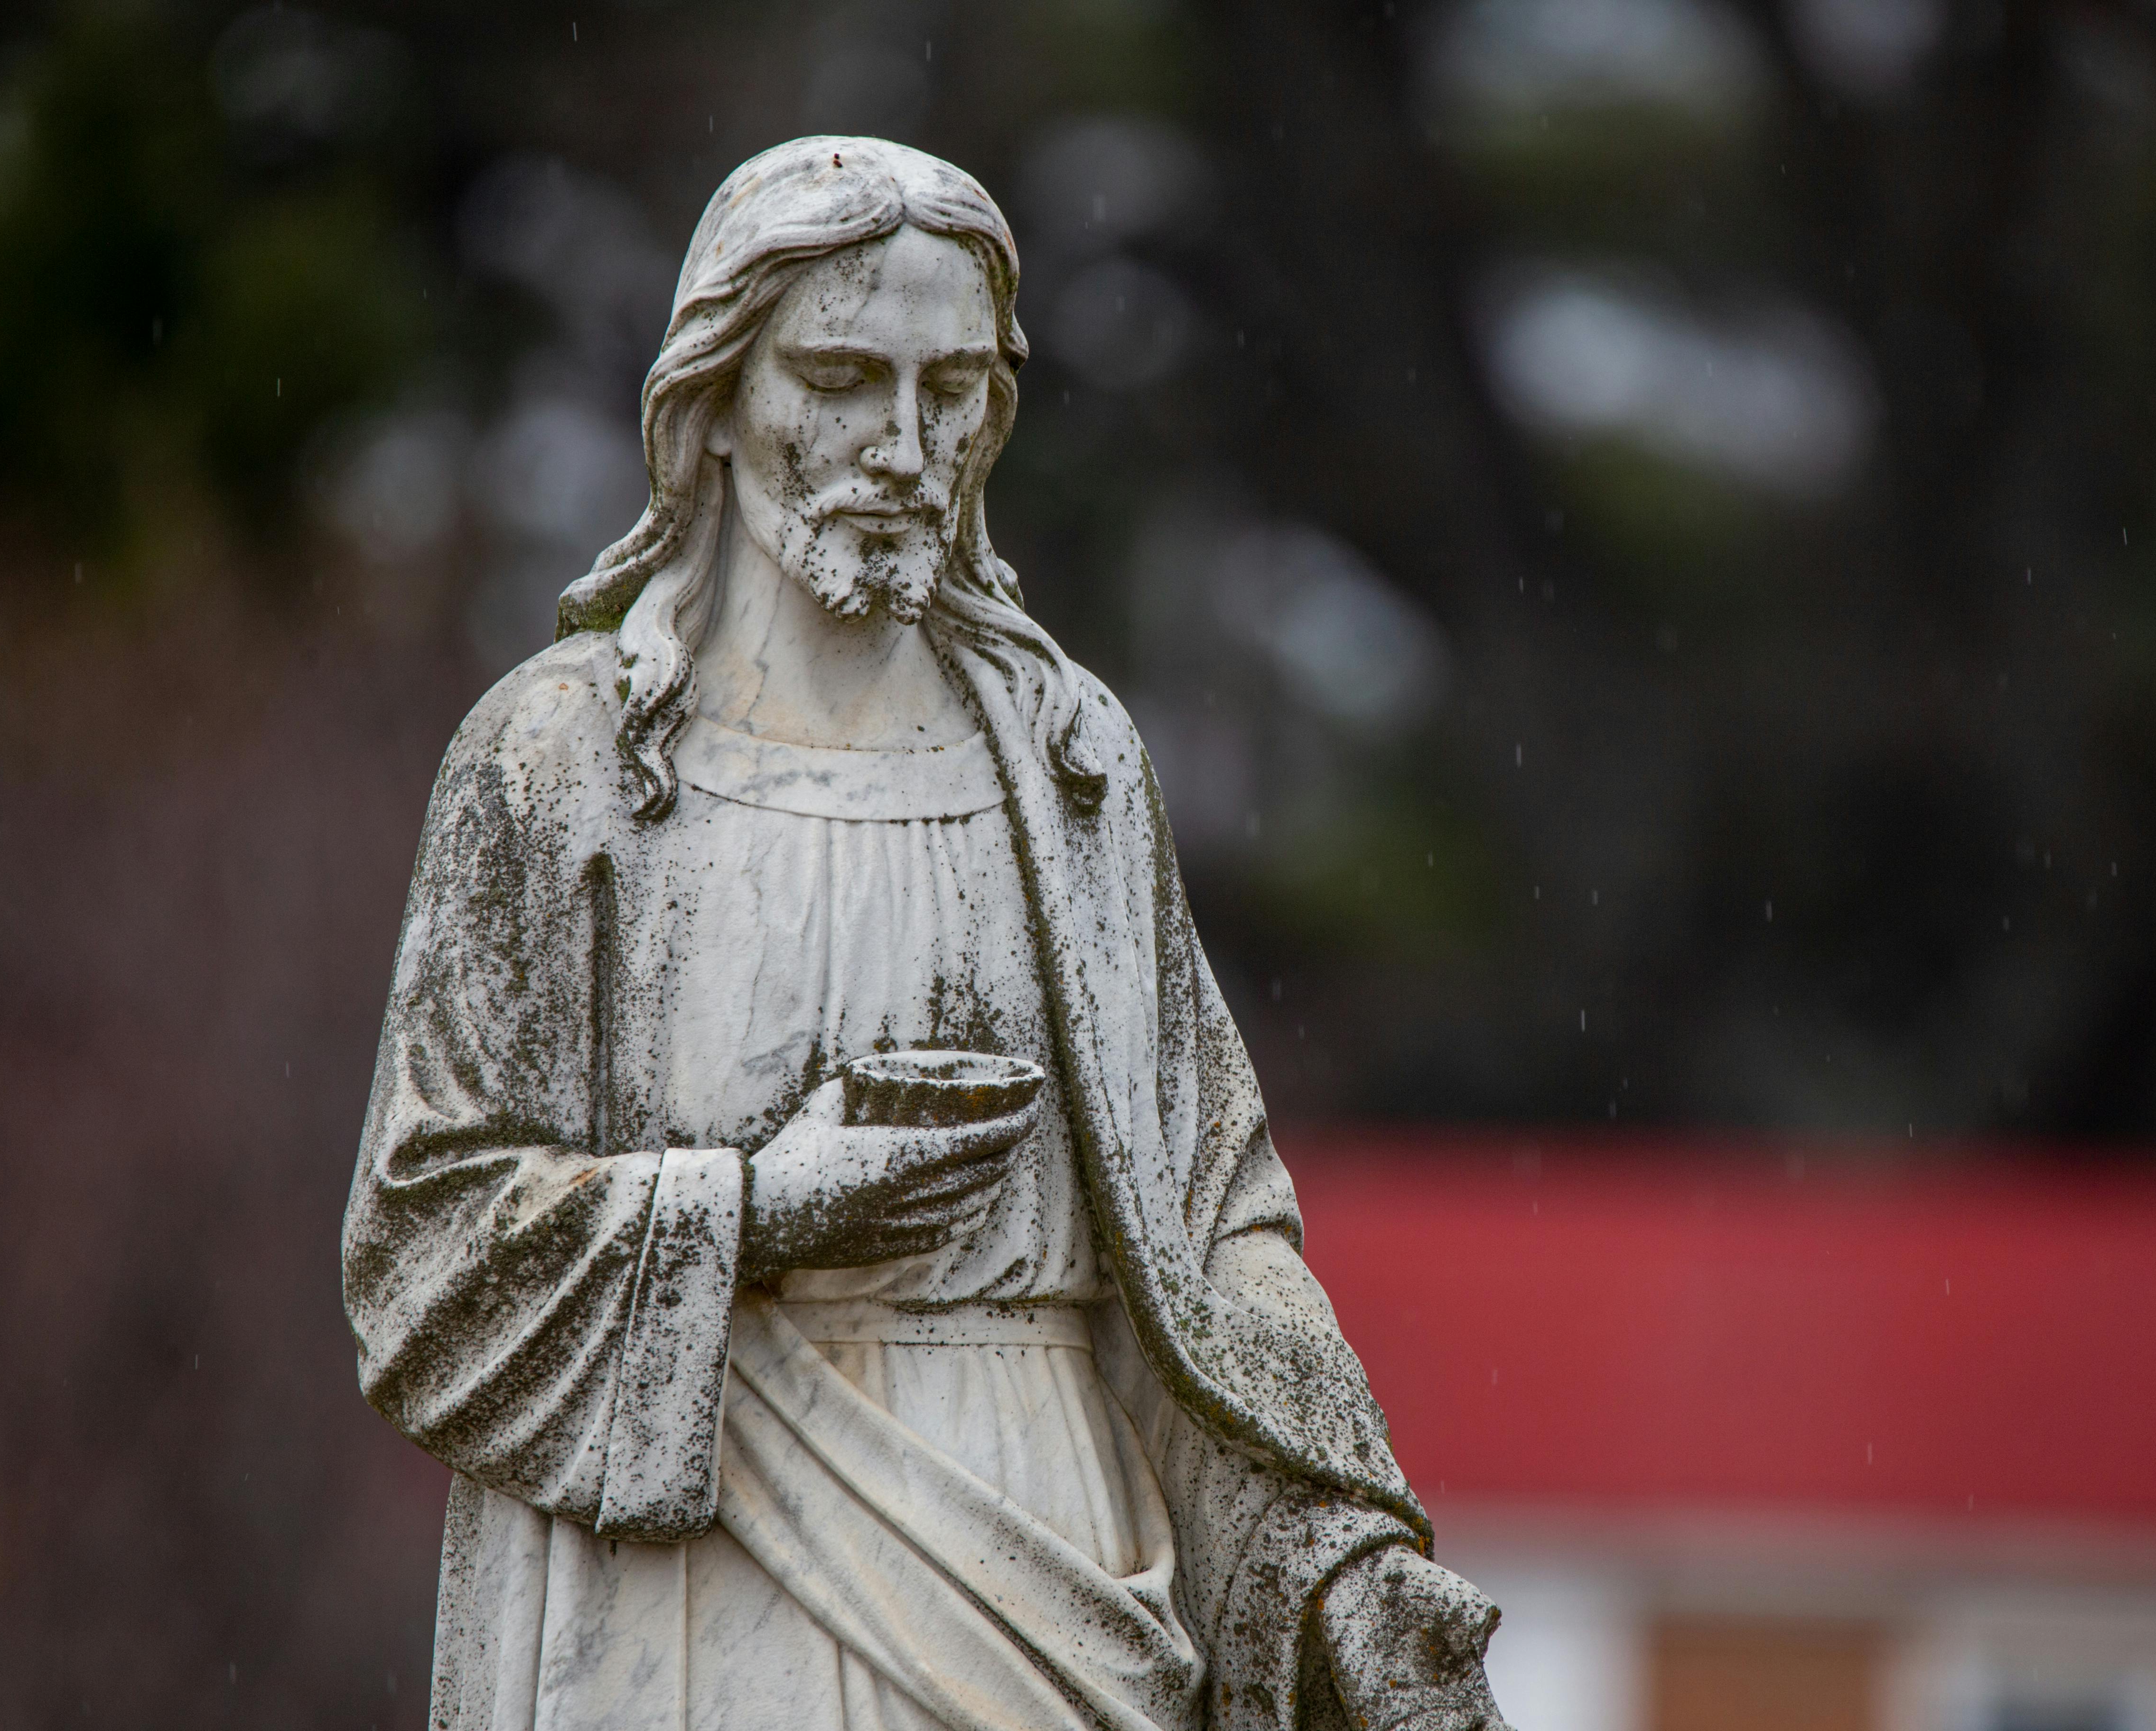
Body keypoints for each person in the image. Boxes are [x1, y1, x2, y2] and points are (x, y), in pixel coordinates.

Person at [344, 136, 1511, 1731]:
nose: (902, 442)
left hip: (1046, 1539)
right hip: (692, 1569)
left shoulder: (1070, 762)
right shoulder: (564, 765)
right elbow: (422, 1247)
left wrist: (1346, 1556)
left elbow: (1210, 1231)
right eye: (840, 376)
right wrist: (752, 1211)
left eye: (949, 387)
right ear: (719, 398)